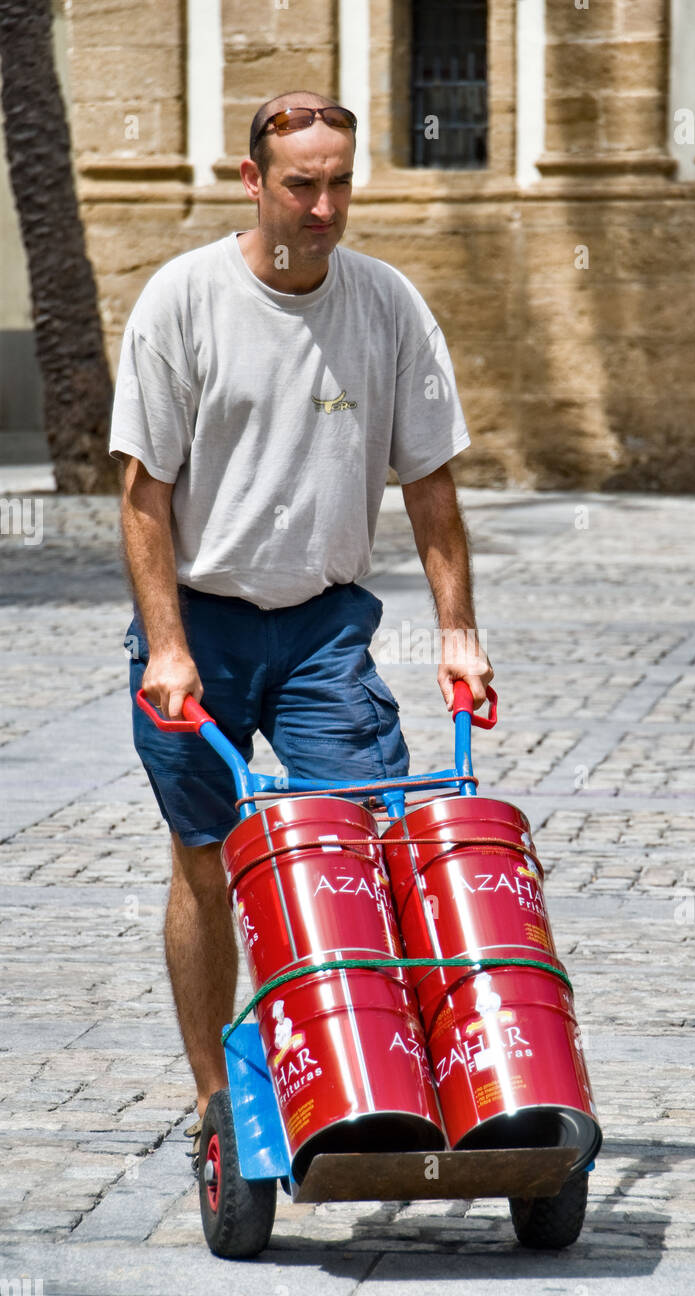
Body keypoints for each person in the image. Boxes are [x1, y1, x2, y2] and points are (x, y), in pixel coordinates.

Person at [110, 89, 494, 1169]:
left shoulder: (385, 305)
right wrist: (169, 647)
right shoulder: (184, 302)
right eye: (300, 185)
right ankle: (215, 1110)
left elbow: (430, 485)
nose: (324, 207)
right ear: (253, 182)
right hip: (203, 630)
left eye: (339, 183)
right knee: (204, 861)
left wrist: (458, 633)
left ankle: (386, 1089)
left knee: (365, 847)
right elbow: (143, 498)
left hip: (325, 630)